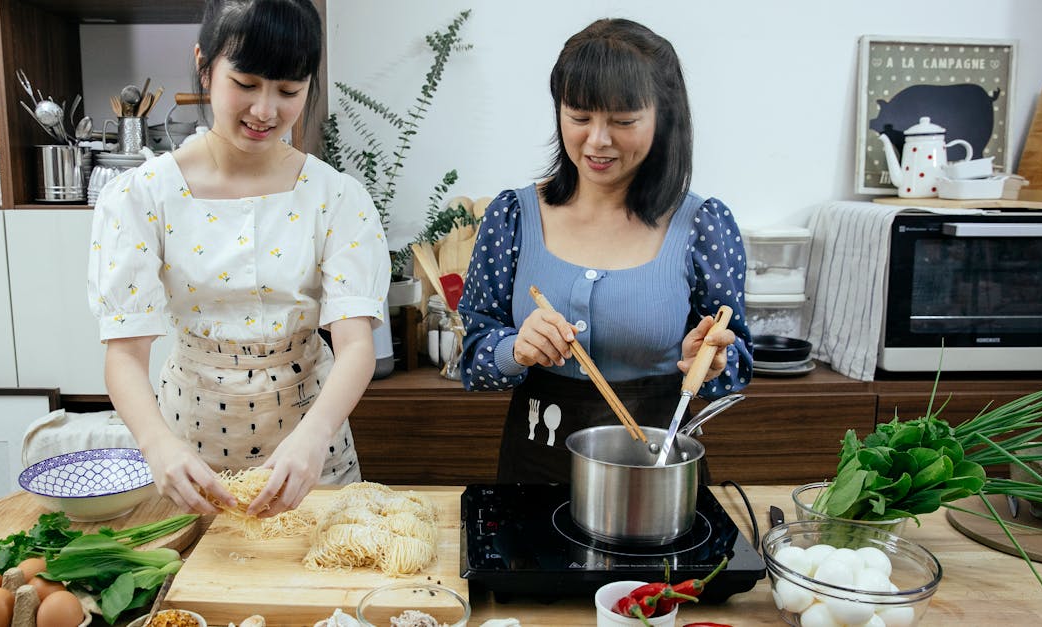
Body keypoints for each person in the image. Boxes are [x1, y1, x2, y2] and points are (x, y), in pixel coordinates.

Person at [88, 0, 390, 517]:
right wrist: (157, 445)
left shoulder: (336, 196)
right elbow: (124, 353)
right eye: (246, 84)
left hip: (310, 442)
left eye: (289, 91)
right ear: (204, 66)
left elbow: (356, 344)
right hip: (192, 445)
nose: (266, 111)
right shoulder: (142, 196)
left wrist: (315, 436)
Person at [458, 18, 752, 484]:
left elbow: (736, 365)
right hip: (533, 469)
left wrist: (709, 360)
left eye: (623, 121)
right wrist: (516, 349)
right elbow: (472, 356)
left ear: (664, 116)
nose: (597, 140)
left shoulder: (703, 225)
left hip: (654, 476)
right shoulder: (512, 216)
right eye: (579, 117)